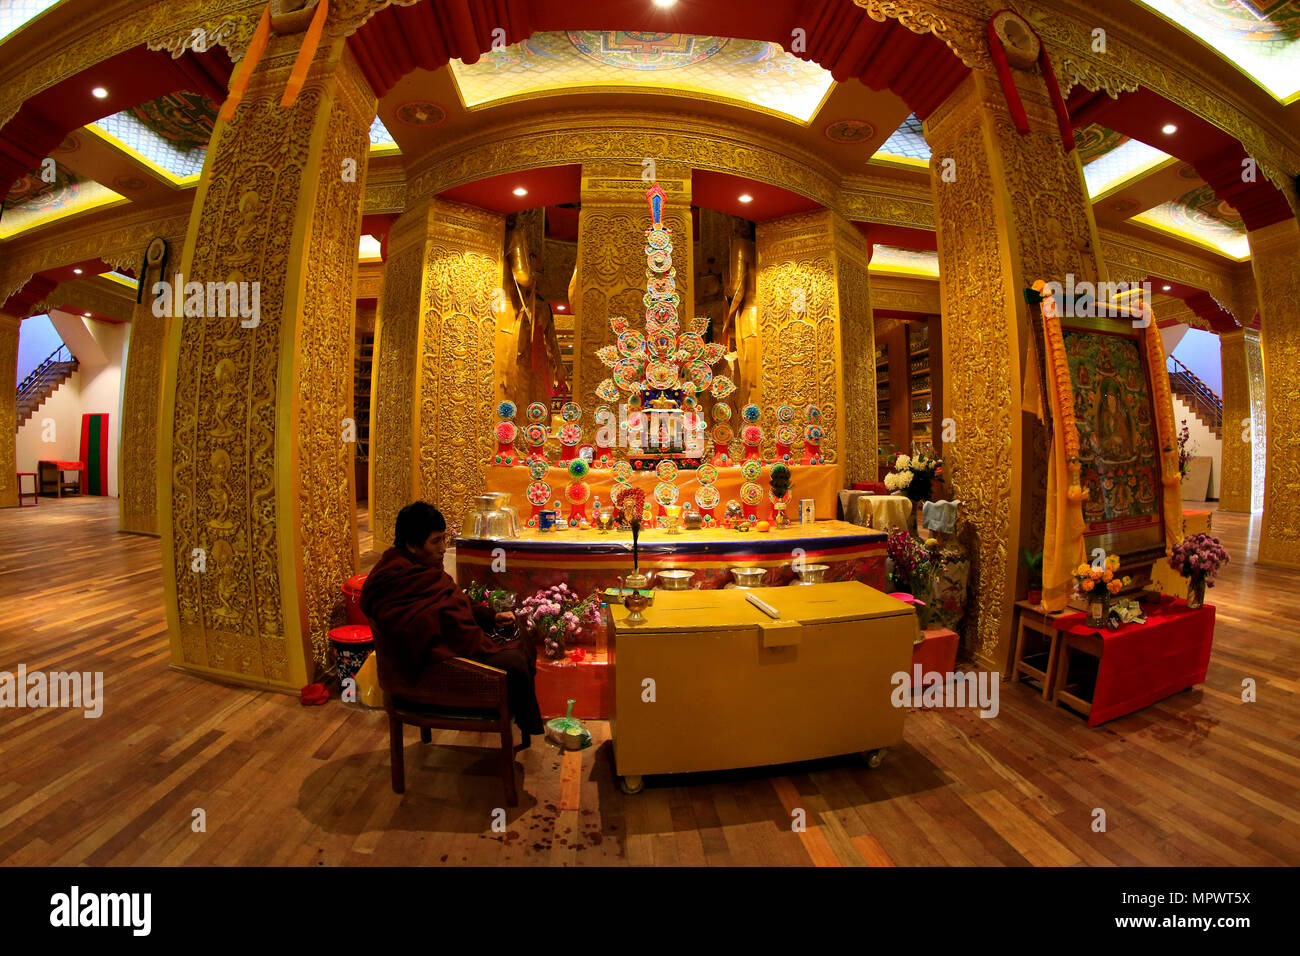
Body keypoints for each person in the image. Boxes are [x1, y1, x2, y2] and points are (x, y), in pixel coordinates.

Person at [360, 501, 544, 737]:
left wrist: (490, 617)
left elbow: (454, 600)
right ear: (411, 545)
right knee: (515, 662)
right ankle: (526, 722)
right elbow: (421, 631)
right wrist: (475, 635)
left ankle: (523, 717)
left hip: (452, 645)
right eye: (435, 541)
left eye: (444, 539)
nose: (443, 548)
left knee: (517, 631)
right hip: (428, 671)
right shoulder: (397, 579)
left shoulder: (419, 567)